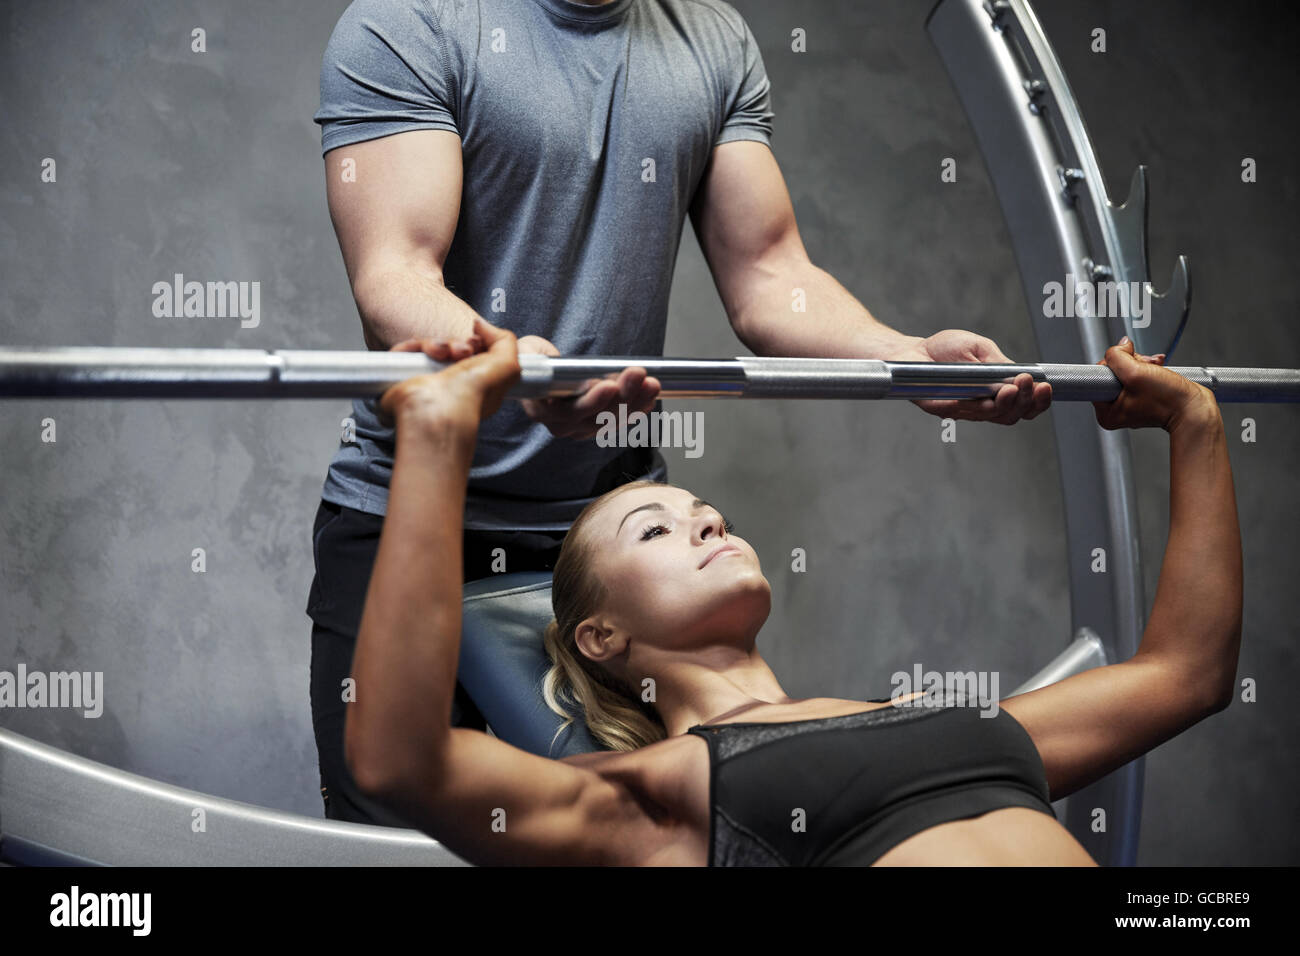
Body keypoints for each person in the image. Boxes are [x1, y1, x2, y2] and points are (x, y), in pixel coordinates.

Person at [306, 0, 1051, 825]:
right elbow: (396, 276)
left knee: (647, 833)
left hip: (605, 540)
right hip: (407, 518)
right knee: (391, 831)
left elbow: (769, 274)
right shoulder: (411, 23)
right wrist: (524, 373)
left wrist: (901, 357)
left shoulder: (712, 39)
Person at [342, 317, 1242, 865]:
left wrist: (1193, 423)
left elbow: (1187, 674)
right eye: (655, 529)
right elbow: (398, 764)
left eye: (708, 514)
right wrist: (439, 438)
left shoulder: (930, 712)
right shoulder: (654, 793)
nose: (707, 524)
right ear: (600, 636)